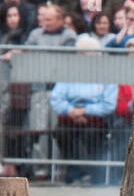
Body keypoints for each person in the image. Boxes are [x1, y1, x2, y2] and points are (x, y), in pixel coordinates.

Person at [49, 35, 117, 184]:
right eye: (80, 53)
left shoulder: (106, 73)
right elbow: (56, 97)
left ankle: (93, 174)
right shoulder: (68, 72)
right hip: (70, 117)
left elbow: (108, 104)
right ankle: (74, 172)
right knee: (62, 133)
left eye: (85, 53)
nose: (82, 57)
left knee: (91, 135)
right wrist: (71, 111)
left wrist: (85, 110)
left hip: (95, 119)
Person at [23, 2, 76, 181]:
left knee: (56, 130)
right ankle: (40, 169)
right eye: (43, 19)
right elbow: (26, 55)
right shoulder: (34, 34)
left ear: (60, 20)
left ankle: (58, 168)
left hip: (59, 89)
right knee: (39, 129)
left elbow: (65, 60)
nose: (45, 22)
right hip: (38, 87)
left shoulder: (69, 35)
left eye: (49, 19)